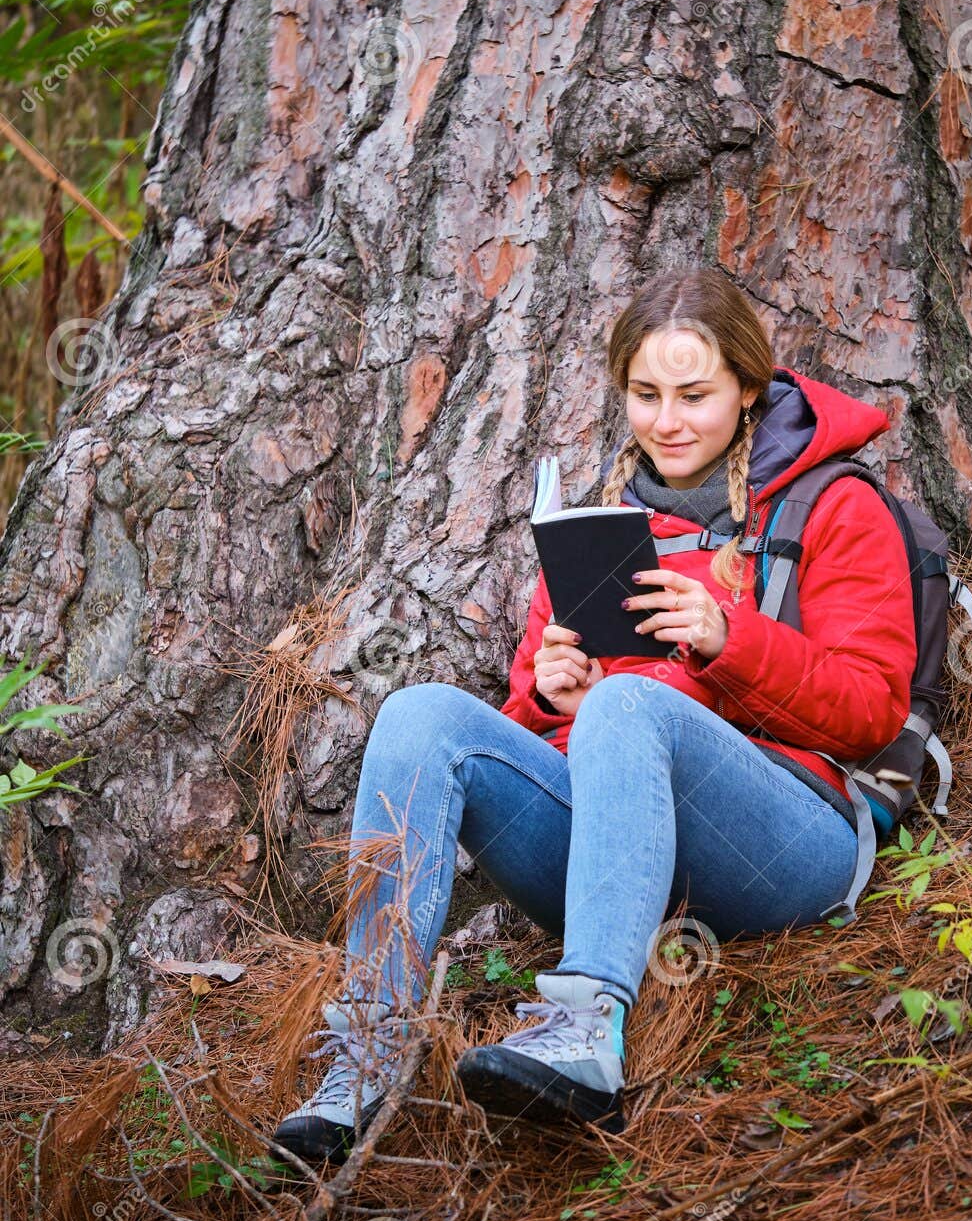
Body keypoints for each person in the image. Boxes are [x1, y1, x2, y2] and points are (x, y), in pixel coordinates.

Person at [272, 268, 917, 1163]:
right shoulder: (598, 527)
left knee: (626, 699)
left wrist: (731, 640)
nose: (667, 421)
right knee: (422, 715)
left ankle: (586, 1032)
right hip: (620, 867)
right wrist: (546, 699)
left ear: (747, 388)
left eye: (694, 394)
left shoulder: (833, 504)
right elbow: (535, 739)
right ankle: (366, 1058)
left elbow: (870, 711)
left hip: (789, 841)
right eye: (644, 395)